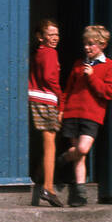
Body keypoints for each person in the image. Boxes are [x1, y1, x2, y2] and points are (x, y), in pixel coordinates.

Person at [57, 24, 112, 207]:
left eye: (91, 44)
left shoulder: (109, 66)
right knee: (80, 156)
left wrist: (92, 76)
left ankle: (62, 159)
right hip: (72, 113)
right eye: (85, 44)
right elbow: (67, 90)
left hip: (92, 115)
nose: (87, 47)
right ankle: (80, 194)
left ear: (103, 44)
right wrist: (61, 109)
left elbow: (109, 92)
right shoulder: (78, 64)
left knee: (82, 149)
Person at [28, 19, 63, 206]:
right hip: (46, 100)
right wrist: (61, 100)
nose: (55, 38)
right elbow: (50, 78)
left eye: (56, 34)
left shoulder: (40, 53)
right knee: (50, 144)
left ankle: (38, 178)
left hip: (37, 97)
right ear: (40, 37)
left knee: (48, 143)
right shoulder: (50, 53)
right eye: (50, 35)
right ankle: (48, 187)